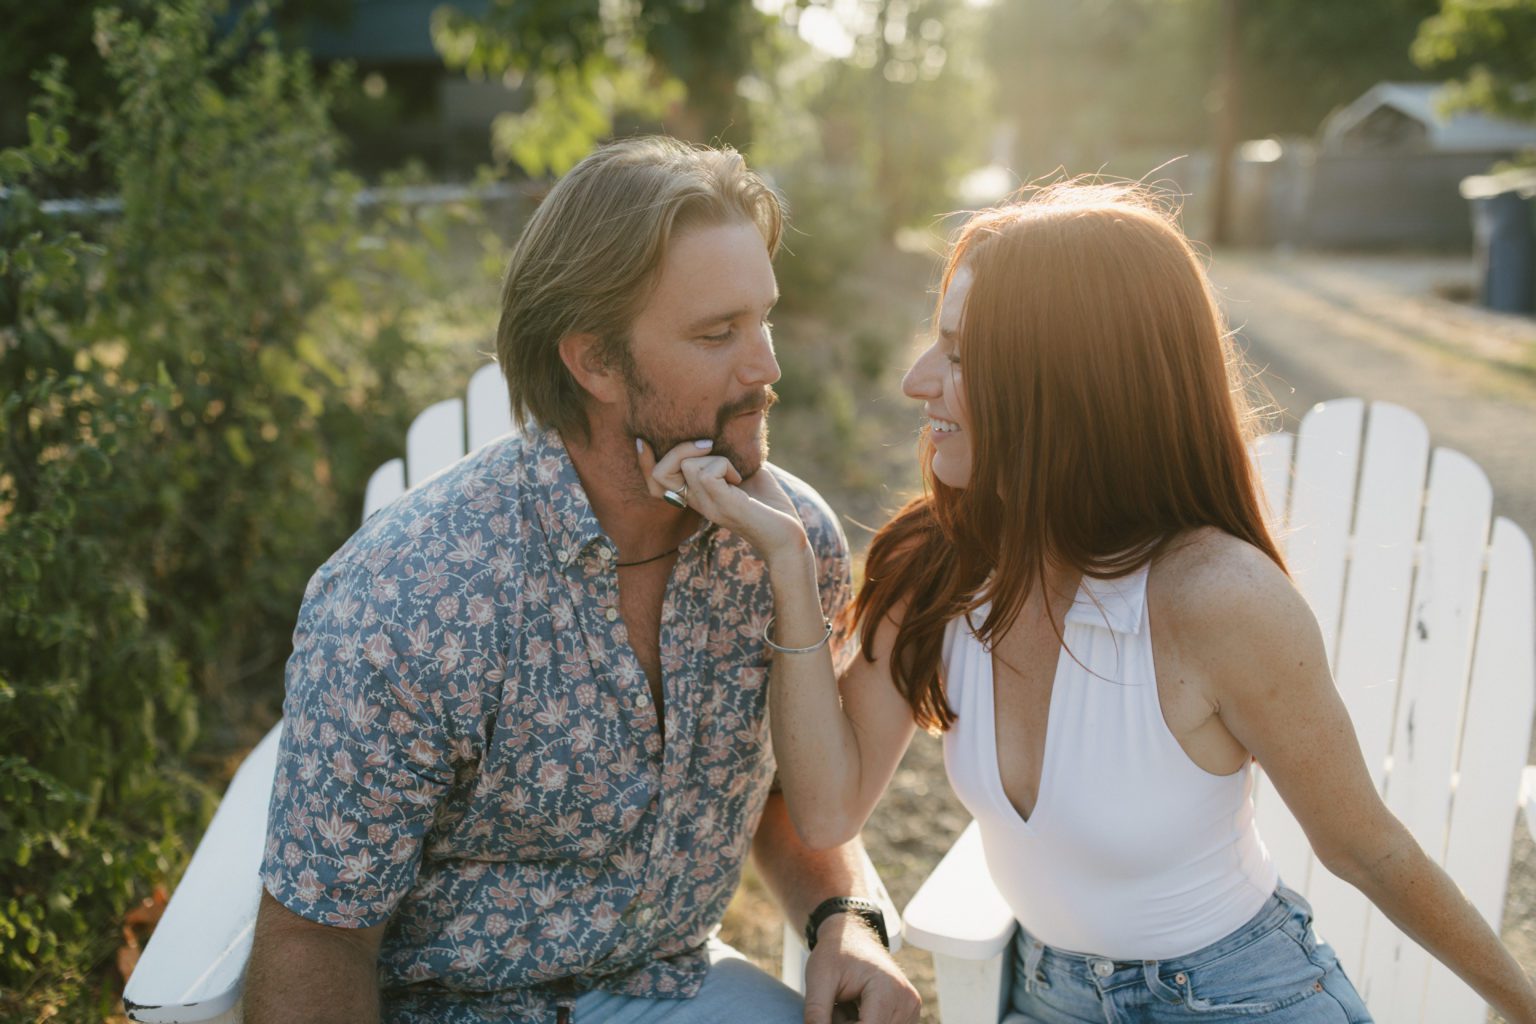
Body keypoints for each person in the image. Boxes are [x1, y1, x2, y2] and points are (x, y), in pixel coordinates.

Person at [642, 180, 1536, 1023]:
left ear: (1069, 385)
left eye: (959, 357)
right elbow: (829, 812)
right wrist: (790, 569)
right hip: (1045, 995)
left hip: (1243, 997)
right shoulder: (936, 566)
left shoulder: (1217, 600)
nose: (918, 380)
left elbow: (1367, 848)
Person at [245, 136, 921, 1024]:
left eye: (765, 318)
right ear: (594, 362)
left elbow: (789, 798)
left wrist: (848, 920)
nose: (766, 368)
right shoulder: (407, 602)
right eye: (718, 334)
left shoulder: (787, 545)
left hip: (673, 984)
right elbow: (315, 938)